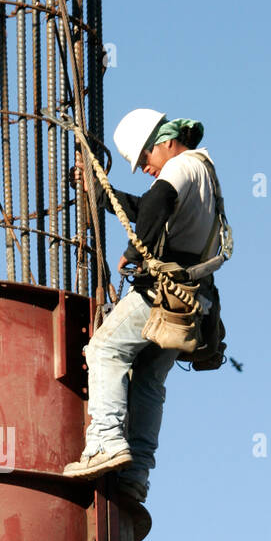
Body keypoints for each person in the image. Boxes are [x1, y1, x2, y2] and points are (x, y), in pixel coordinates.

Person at [63, 111, 226, 500]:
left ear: (165, 142)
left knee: (104, 350)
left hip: (163, 293)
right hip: (191, 301)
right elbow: (149, 207)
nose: (144, 169)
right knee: (149, 381)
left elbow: (155, 206)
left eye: (144, 160)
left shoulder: (182, 166)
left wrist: (132, 251)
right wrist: (104, 197)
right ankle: (136, 474)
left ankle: (105, 442)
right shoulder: (204, 172)